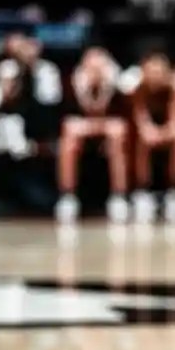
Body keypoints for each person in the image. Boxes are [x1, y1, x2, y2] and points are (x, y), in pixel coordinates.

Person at [56, 47, 129, 223]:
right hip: (81, 128)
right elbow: (66, 117)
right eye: (91, 67)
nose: (96, 71)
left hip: (108, 128)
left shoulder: (117, 84)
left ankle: (118, 197)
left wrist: (101, 120)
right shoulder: (72, 82)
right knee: (69, 137)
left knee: (117, 134)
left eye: (100, 66)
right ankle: (68, 196)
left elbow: (122, 117)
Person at [129, 52, 175, 223]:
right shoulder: (138, 89)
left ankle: (174, 192)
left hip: (169, 129)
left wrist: (164, 133)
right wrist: (150, 132)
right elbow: (141, 120)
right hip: (147, 133)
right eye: (151, 72)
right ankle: (143, 192)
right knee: (143, 141)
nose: (155, 77)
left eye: (159, 72)